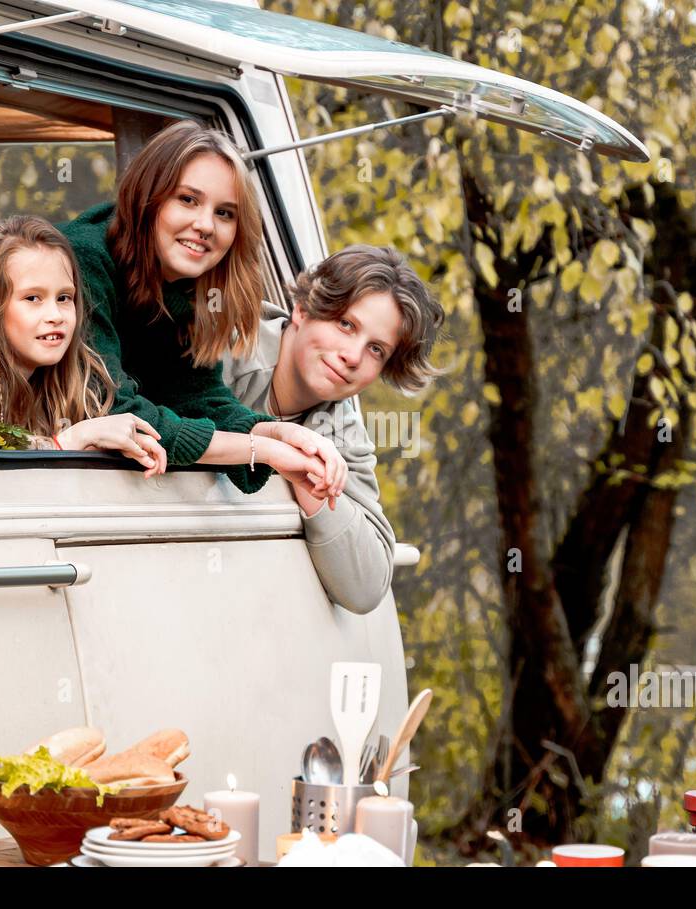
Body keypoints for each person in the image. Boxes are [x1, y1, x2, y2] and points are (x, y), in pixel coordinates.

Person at [59, 120, 346, 505]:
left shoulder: (190, 291)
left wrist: (280, 434)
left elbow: (198, 398)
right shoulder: (84, 261)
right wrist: (261, 451)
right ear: (148, 198)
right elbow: (114, 409)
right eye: (188, 200)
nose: (205, 225)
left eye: (225, 213)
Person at [223, 245, 445, 614]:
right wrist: (271, 443)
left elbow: (365, 586)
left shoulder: (344, 434)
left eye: (376, 349)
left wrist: (306, 475)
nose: (353, 356)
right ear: (303, 308)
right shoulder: (219, 349)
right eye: (346, 325)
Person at [0, 214, 167, 473]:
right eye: (33, 298)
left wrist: (121, 445)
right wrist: (71, 440)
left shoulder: (72, 374)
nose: (55, 316)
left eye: (64, 297)